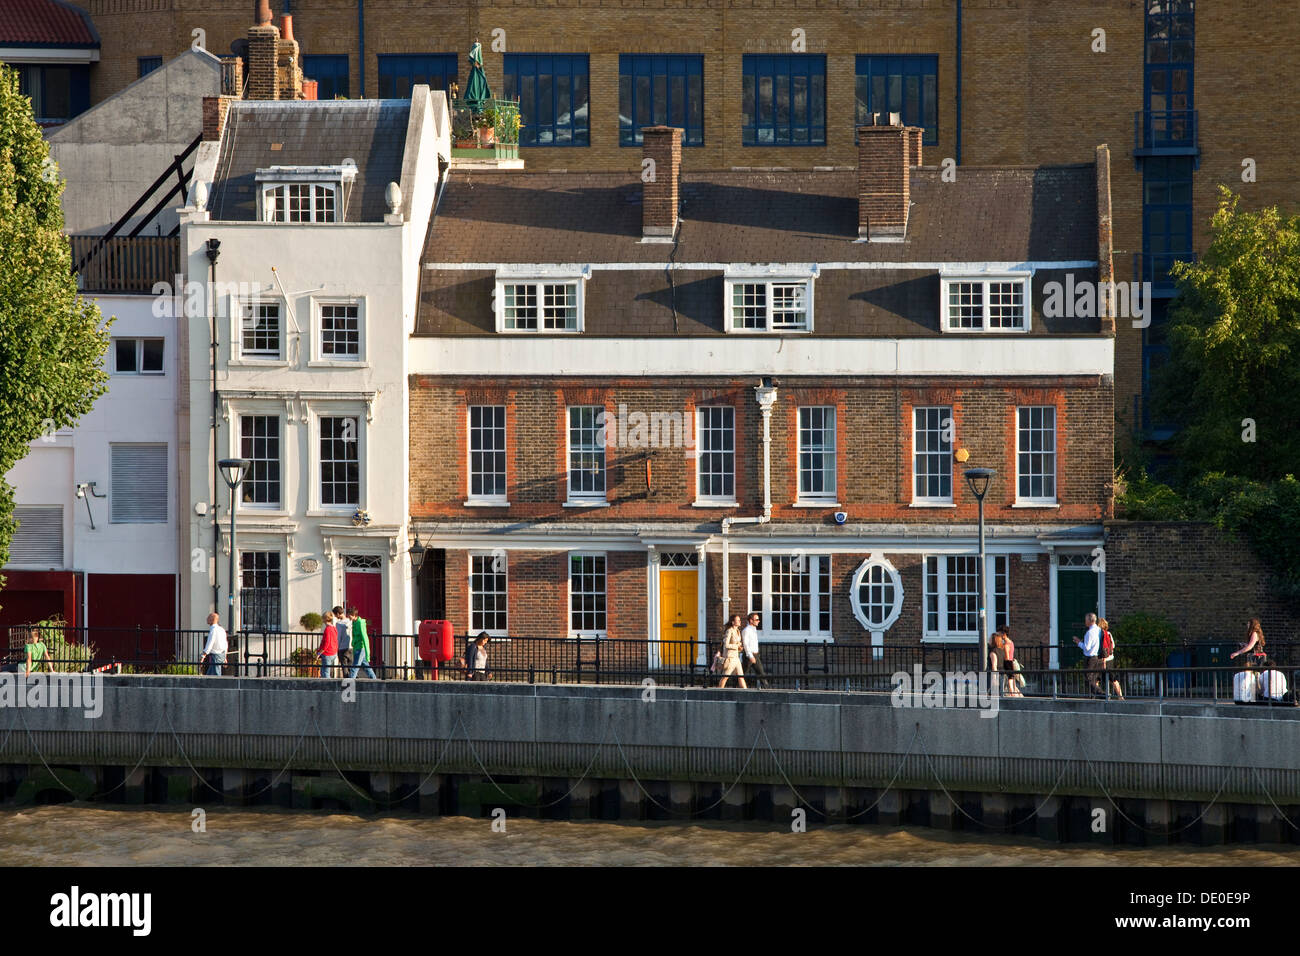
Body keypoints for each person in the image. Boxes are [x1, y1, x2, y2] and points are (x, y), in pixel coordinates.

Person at [1072, 612, 1104, 696]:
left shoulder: (1089, 633)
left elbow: (1087, 647)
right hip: (1097, 657)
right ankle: (1094, 696)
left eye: (1086, 620)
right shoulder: (1099, 630)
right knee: (1093, 678)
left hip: (1090, 658)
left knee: (1088, 679)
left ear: (1090, 621)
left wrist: (1078, 642)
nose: (1085, 622)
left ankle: (1102, 693)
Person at [1097, 616, 1124, 699]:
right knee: (1113, 679)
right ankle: (1120, 697)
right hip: (1110, 659)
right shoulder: (1108, 634)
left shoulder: (1098, 634)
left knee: (1096, 679)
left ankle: (1099, 695)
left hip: (1100, 659)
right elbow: (1113, 646)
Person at [347, 608, 377, 679]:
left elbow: (365, 638)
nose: (348, 617)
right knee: (366, 666)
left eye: (349, 615)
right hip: (357, 647)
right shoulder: (354, 622)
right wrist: (353, 643)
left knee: (355, 666)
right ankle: (374, 679)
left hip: (360, 647)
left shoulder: (360, 623)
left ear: (354, 615)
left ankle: (350, 682)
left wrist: (368, 654)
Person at [740, 612, 769, 689]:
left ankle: (767, 689)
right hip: (749, 656)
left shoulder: (754, 630)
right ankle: (735, 687)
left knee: (761, 673)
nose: (758, 621)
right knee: (742, 674)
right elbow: (746, 644)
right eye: (756, 619)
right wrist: (750, 656)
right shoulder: (746, 630)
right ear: (751, 620)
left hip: (755, 655)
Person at [717, 618, 747, 689]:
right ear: (733, 622)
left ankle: (746, 693)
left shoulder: (738, 631)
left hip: (736, 658)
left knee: (741, 676)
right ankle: (718, 692)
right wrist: (737, 646)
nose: (740, 621)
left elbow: (736, 643)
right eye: (738, 620)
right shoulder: (729, 631)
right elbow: (726, 645)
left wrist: (739, 647)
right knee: (725, 677)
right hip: (730, 658)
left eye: (740, 619)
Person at [201, 612, 228, 676]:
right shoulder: (222, 629)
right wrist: (225, 657)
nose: (206, 618)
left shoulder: (213, 630)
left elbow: (209, 644)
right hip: (222, 654)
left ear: (212, 619)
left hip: (215, 656)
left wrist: (203, 656)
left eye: (208, 617)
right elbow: (225, 644)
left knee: (216, 675)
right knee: (209, 675)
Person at [316, 610, 339, 679]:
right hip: (333, 652)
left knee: (325, 673)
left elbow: (326, 643)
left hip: (327, 653)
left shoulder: (328, 629)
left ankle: (327, 688)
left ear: (324, 619)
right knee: (325, 671)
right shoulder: (334, 628)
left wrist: (319, 653)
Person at [332, 605, 352, 670]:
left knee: (345, 668)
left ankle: (346, 680)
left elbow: (338, 637)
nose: (335, 616)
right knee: (351, 667)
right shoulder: (350, 621)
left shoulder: (339, 624)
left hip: (342, 647)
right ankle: (354, 679)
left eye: (335, 615)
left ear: (338, 614)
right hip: (351, 647)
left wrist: (336, 647)